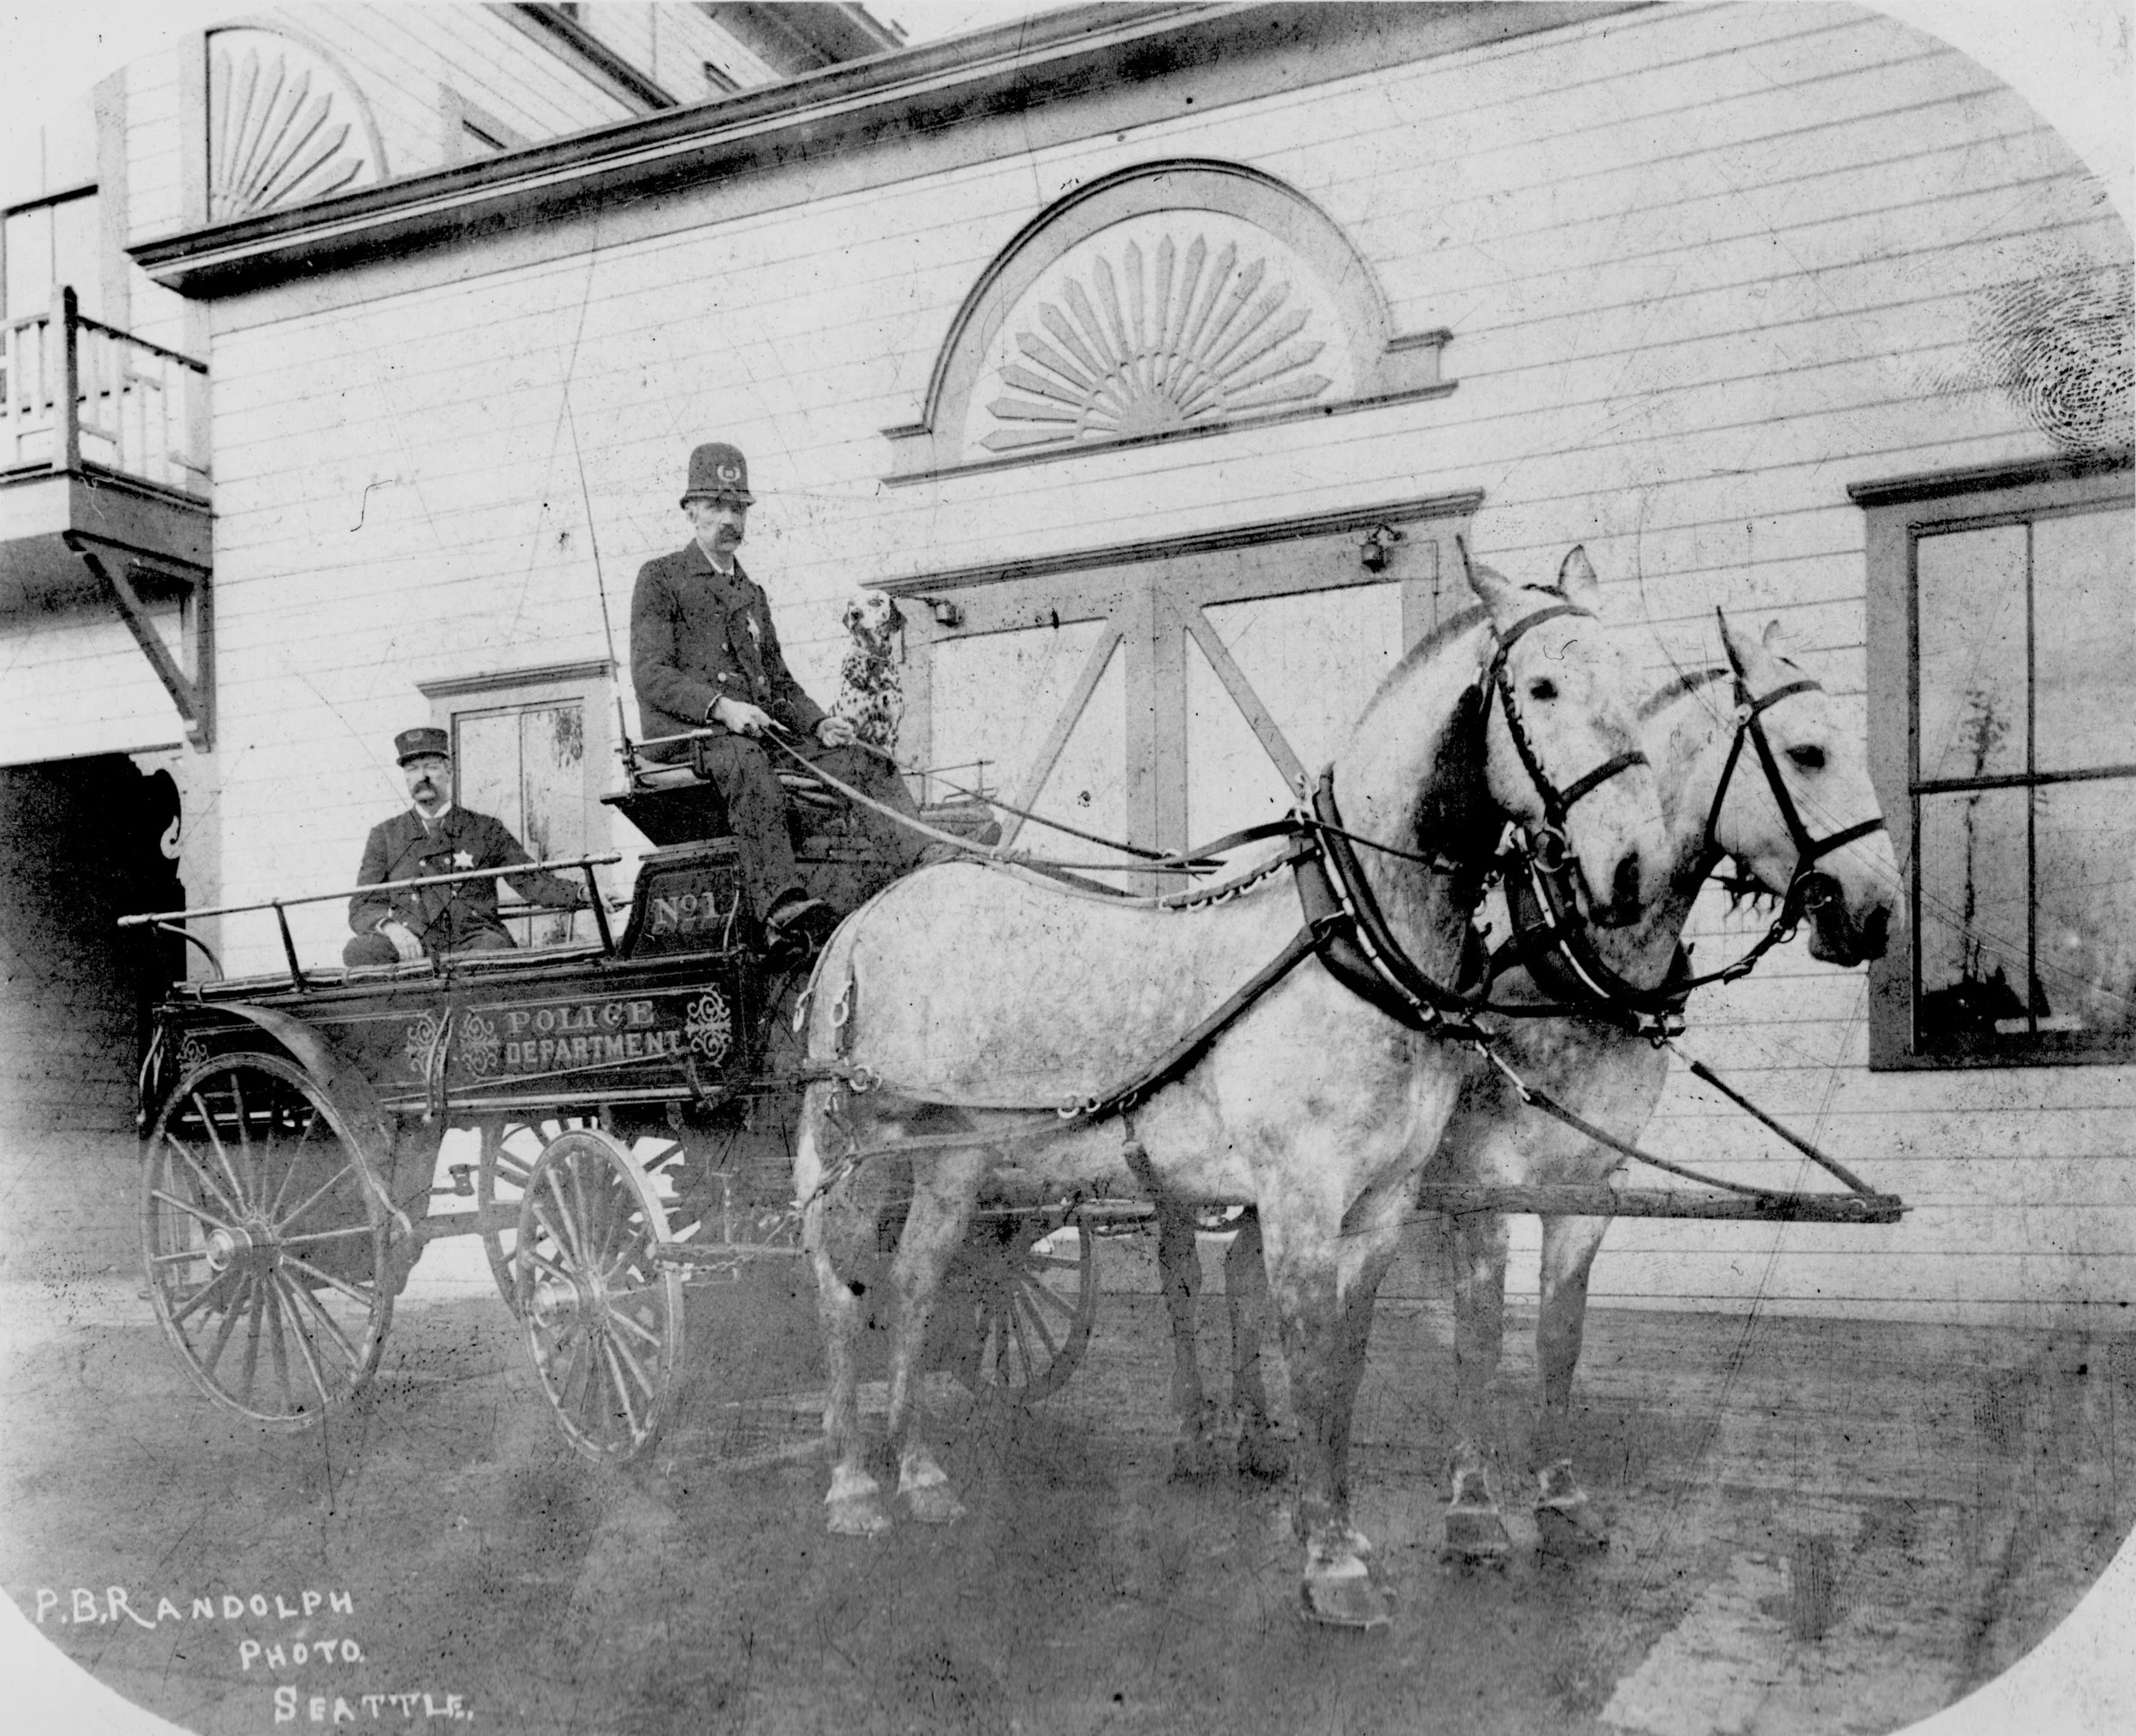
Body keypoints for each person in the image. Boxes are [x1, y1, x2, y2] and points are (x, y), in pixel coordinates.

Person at [630, 441, 928, 953]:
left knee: (866, 762)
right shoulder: (662, 579)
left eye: (738, 508)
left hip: (752, 738)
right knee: (746, 759)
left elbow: (780, 683)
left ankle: (921, 863)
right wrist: (721, 708)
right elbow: (650, 673)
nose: (730, 519)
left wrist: (817, 725)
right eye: (718, 506)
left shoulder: (752, 593)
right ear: (690, 511)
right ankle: (781, 905)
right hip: (692, 739)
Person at [343, 728, 583, 966]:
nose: (422, 776)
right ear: (405, 777)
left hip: (472, 938)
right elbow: (362, 906)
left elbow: (533, 881)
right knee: (360, 951)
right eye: (412, 769)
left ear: (449, 772)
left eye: (431, 766)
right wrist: (391, 928)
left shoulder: (485, 829)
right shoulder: (385, 835)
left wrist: (584, 893)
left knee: (493, 952)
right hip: (415, 942)